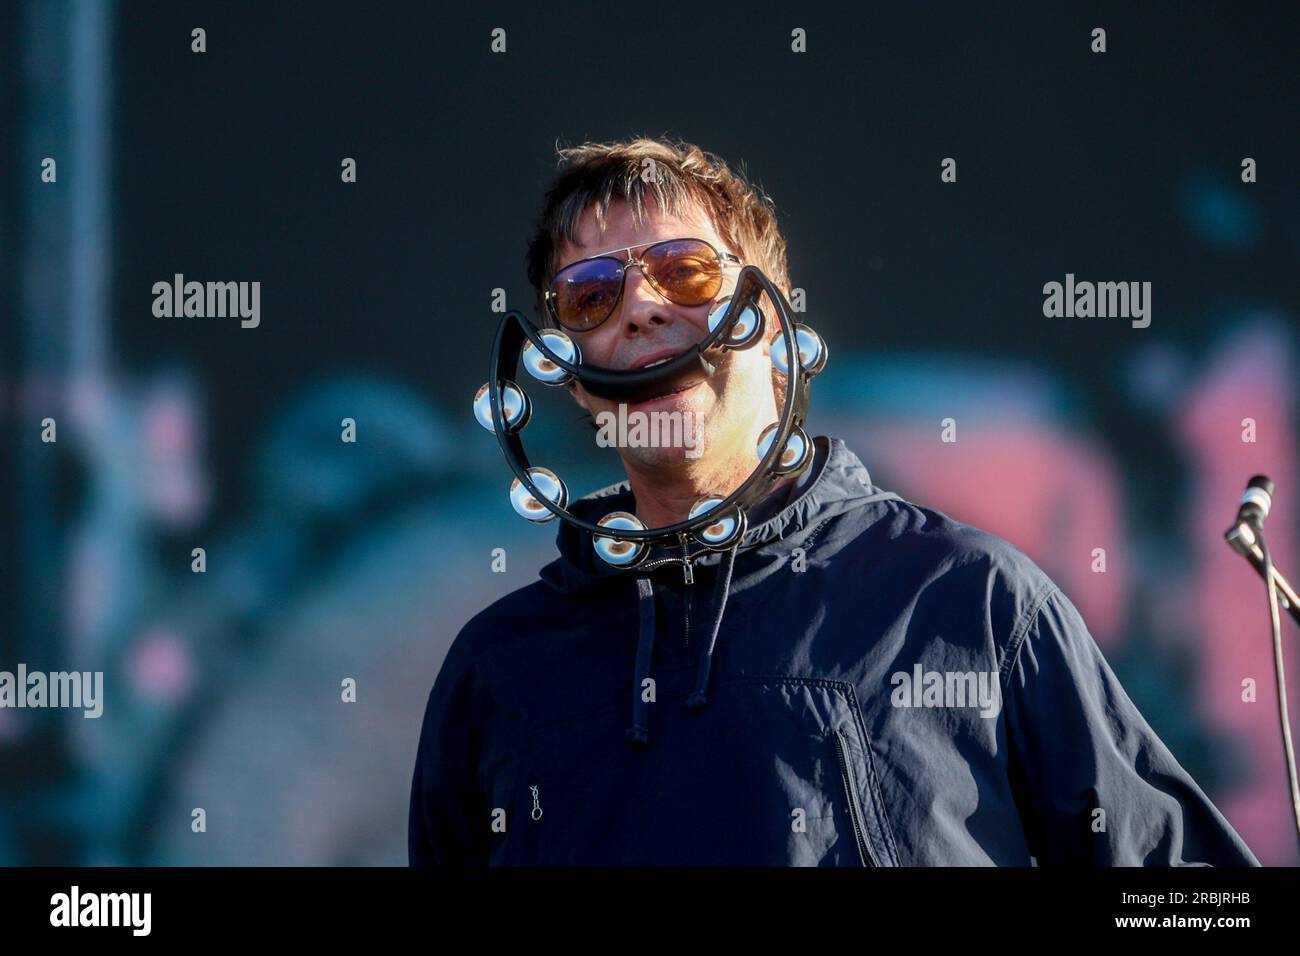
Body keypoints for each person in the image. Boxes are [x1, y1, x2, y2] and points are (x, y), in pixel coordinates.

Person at [408, 136, 1259, 866]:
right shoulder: (499, 666)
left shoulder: (968, 599)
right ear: (572, 375)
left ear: (773, 328)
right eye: (592, 295)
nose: (639, 307)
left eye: (686, 272)